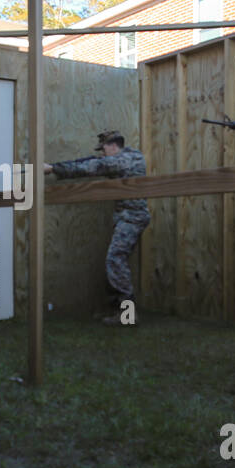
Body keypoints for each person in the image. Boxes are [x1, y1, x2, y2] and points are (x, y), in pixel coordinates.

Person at [45, 130, 150, 324]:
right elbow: (93, 162)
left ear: (113, 146)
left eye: (104, 149)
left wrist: (53, 169)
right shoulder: (127, 158)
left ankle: (128, 314)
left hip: (132, 218)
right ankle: (117, 310)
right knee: (115, 261)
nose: (103, 153)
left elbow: (94, 166)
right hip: (127, 217)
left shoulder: (127, 160)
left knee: (115, 260)